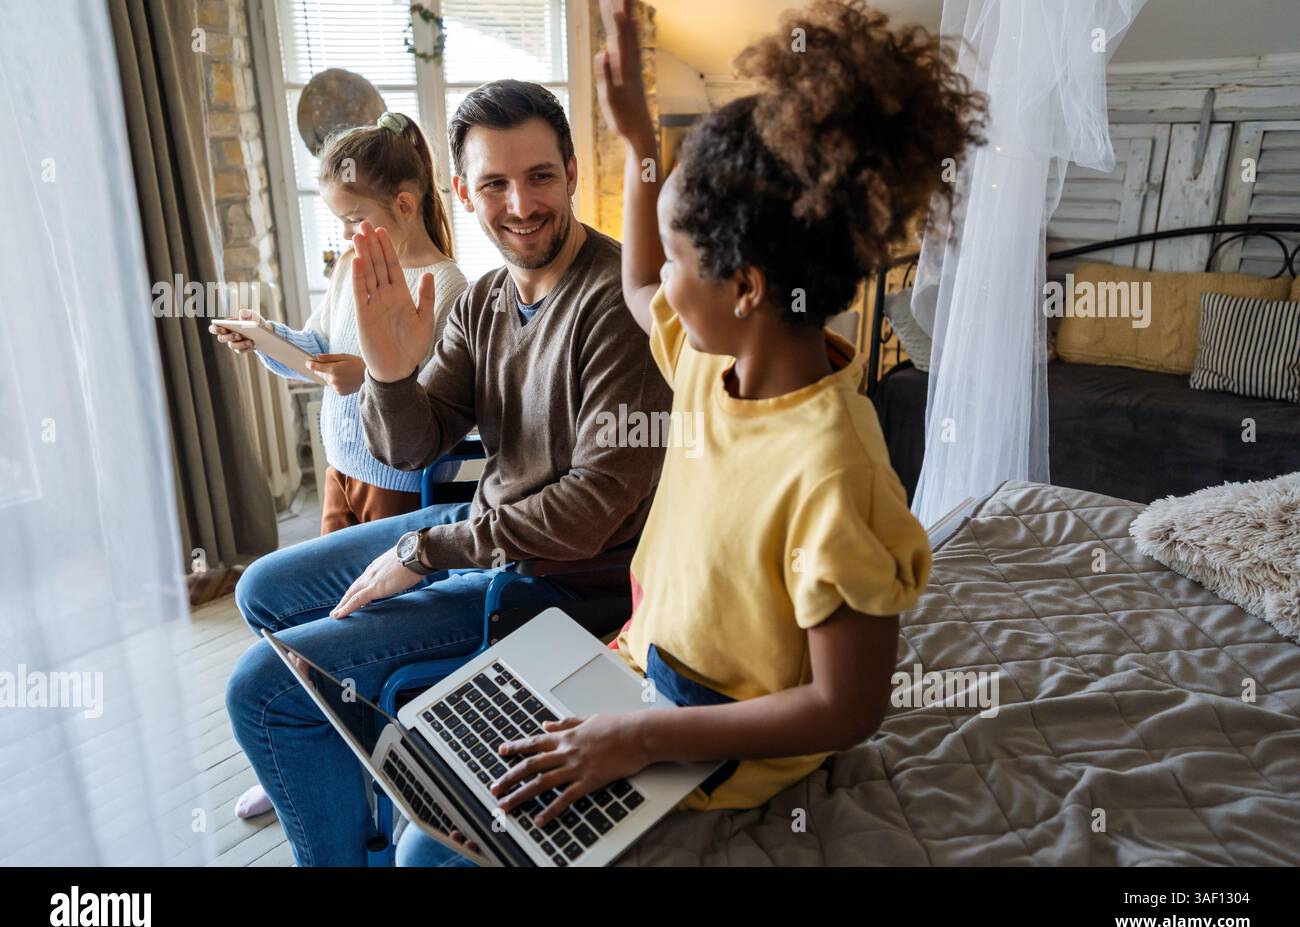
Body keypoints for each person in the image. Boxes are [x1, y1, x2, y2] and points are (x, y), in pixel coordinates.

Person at [396, 0, 986, 867]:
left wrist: (640, 742)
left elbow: (849, 708)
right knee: (438, 796)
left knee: (431, 854)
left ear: (745, 288)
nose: (658, 285)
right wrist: (638, 141)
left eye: (680, 262)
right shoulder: (719, 364)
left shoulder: (834, 476)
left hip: (712, 749)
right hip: (636, 675)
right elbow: (641, 282)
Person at [225, 80, 671, 865]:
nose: (521, 204)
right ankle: (360, 772)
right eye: (495, 183)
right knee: (262, 589)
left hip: (565, 577)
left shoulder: (615, 305)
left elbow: (592, 510)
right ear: (462, 191)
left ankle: (348, 805)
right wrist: (390, 373)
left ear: (570, 171)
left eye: (539, 176)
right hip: (486, 531)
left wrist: (424, 554)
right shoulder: (485, 301)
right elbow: (412, 449)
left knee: (261, 689)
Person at [211, 111, 466, 537]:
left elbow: (441, 403)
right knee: (337, 596)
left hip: (398, 483)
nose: (346, 235)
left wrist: (368, 379)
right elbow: (317, 351)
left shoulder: (445, 285)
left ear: (404, 205)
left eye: (353, 218)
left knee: (385, 597)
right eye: (339, 221)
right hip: (339, 468)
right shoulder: (349, 266)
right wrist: (264, 337)